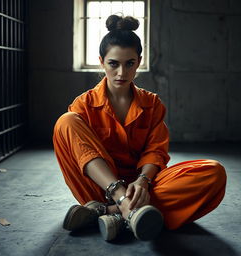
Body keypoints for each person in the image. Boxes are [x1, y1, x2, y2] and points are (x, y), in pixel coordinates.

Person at [53, 15, 226, 241]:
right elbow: (80, 155)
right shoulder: (83, 105)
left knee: (213, 173)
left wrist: (143, 181)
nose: (121, 73)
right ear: (101, 61)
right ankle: (125, 207)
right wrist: (119, 193)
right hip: (98, 189)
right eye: (113, 64)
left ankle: (109, 213)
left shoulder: (152, 104)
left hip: (142, 189)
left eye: (130, 64)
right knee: (66, 121)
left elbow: (156, 151)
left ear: (139, 62)